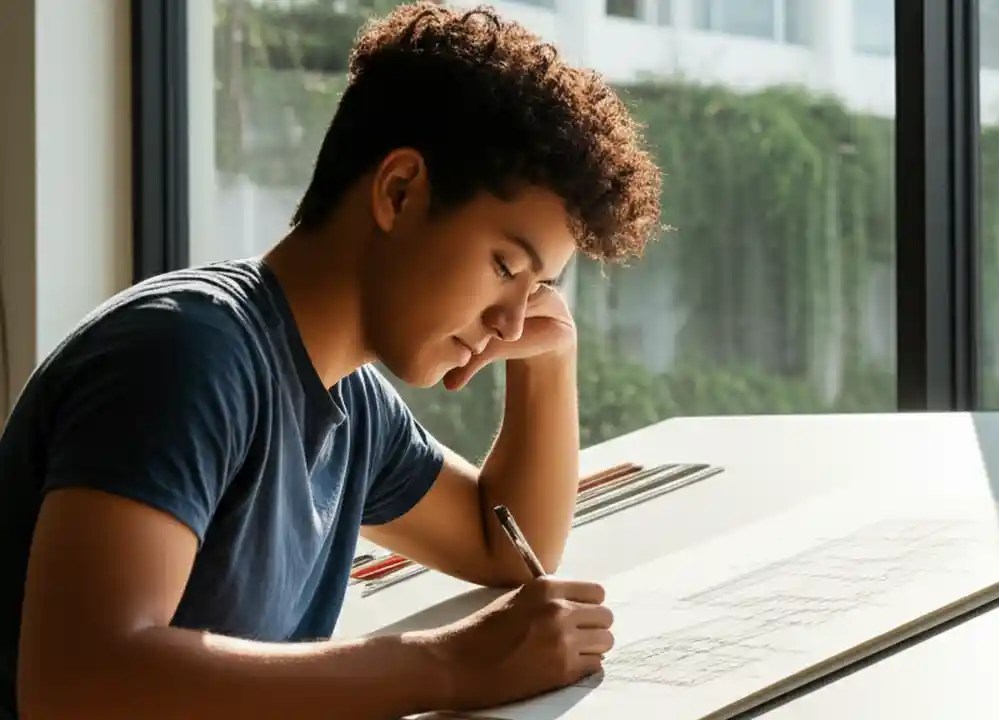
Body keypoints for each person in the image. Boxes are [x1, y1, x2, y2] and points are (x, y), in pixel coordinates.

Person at [0, 3, 662, 718]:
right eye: (506, 265)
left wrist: (546, 363)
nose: (510, 320)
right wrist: (443, 665)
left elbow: (501, 543)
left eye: (537, 288)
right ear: (399, 191)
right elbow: (74, 682)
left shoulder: (349, 402)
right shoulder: (183, 357)